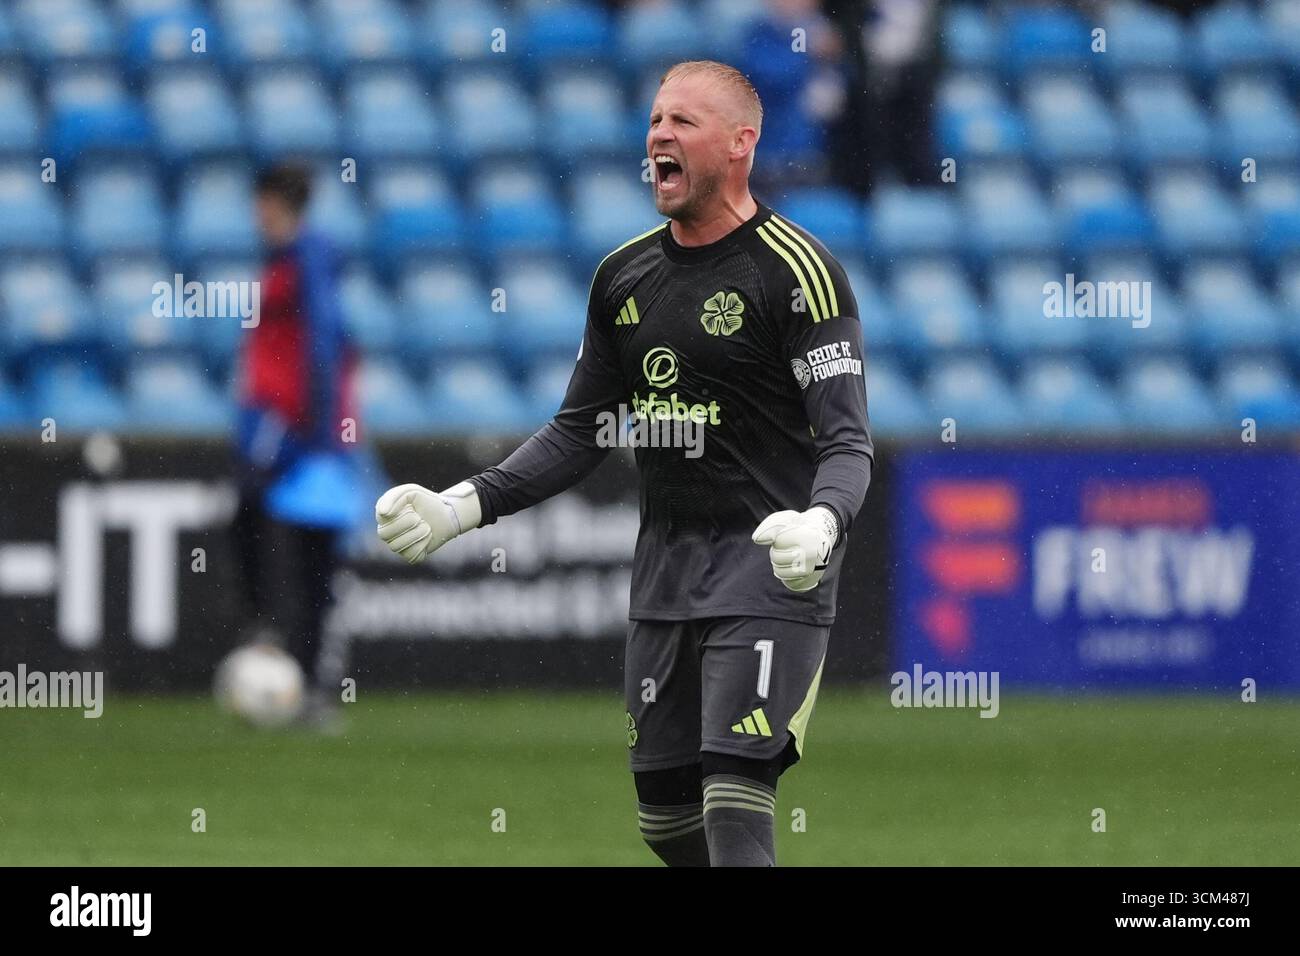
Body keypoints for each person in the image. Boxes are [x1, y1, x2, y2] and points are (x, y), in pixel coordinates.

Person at [375, 61, 874, 865]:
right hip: (665, 580)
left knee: (736, 800)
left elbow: (847, 440)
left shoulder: (800, 274)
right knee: (668, 826)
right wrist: (459, 507)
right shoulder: (622, 277)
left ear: (743, 143)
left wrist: (822, 522)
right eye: (653, 122)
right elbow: (581, 431)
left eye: (682, 122)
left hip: (772, 576)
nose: (657, 138)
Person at [232, 162, 358, 728]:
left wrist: (323, 432)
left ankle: (299, 664)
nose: (256, 212)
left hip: (298, 427)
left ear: (280, 202)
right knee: (287, 541)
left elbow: (324, 343)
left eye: (263, 200)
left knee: (299, 546)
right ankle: (293, 660)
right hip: (286, 421)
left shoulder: (307, 257)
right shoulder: (286, 258)